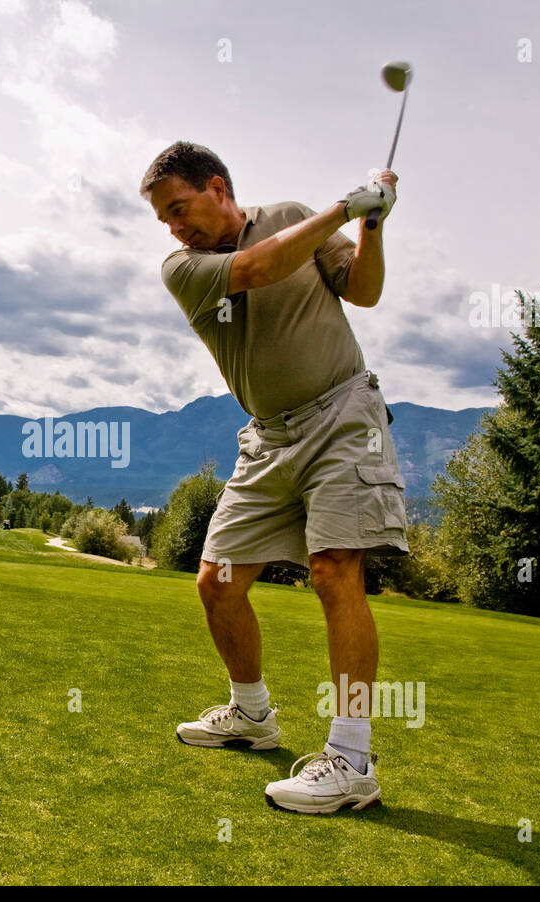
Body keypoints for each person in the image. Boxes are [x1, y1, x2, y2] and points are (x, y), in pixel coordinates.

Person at [140, 141, 409, 814]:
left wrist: (371, 226)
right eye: (165, 219)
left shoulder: (290, 215)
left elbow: (365, 292)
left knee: (335, 569)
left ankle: (351, 758)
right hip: (267, 439)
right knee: (217, 584)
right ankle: (253, 716)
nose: (175, 228)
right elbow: (260, 267)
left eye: (180, 209)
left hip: (345, 413)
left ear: (217, 186)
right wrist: (348, 206)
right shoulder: (185, 267)